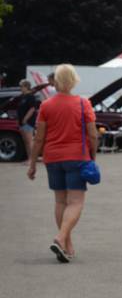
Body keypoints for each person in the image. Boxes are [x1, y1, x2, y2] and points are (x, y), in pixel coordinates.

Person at [27, 64, 98, 263]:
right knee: (75, 202)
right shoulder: (83, 104)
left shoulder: (47, 105)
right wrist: (93, 156)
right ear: (74, 80)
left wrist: (32, 163)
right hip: (77, 157)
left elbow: (39, 138)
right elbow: (92, 134)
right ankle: (60, 237)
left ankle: (66, 244)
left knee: (60, 201)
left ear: (56, 80)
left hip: (52, 158)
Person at [17, 79, 39, 161]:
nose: (20, 88)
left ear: (26, 87)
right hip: (22, 123)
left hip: (28, 122)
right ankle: (29, 158)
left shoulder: (31, 97)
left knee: (30, 141)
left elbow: (32, 109)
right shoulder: (23, 97)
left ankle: (32, 159)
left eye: (21, 86)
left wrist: (25, 119)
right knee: (26, 141)